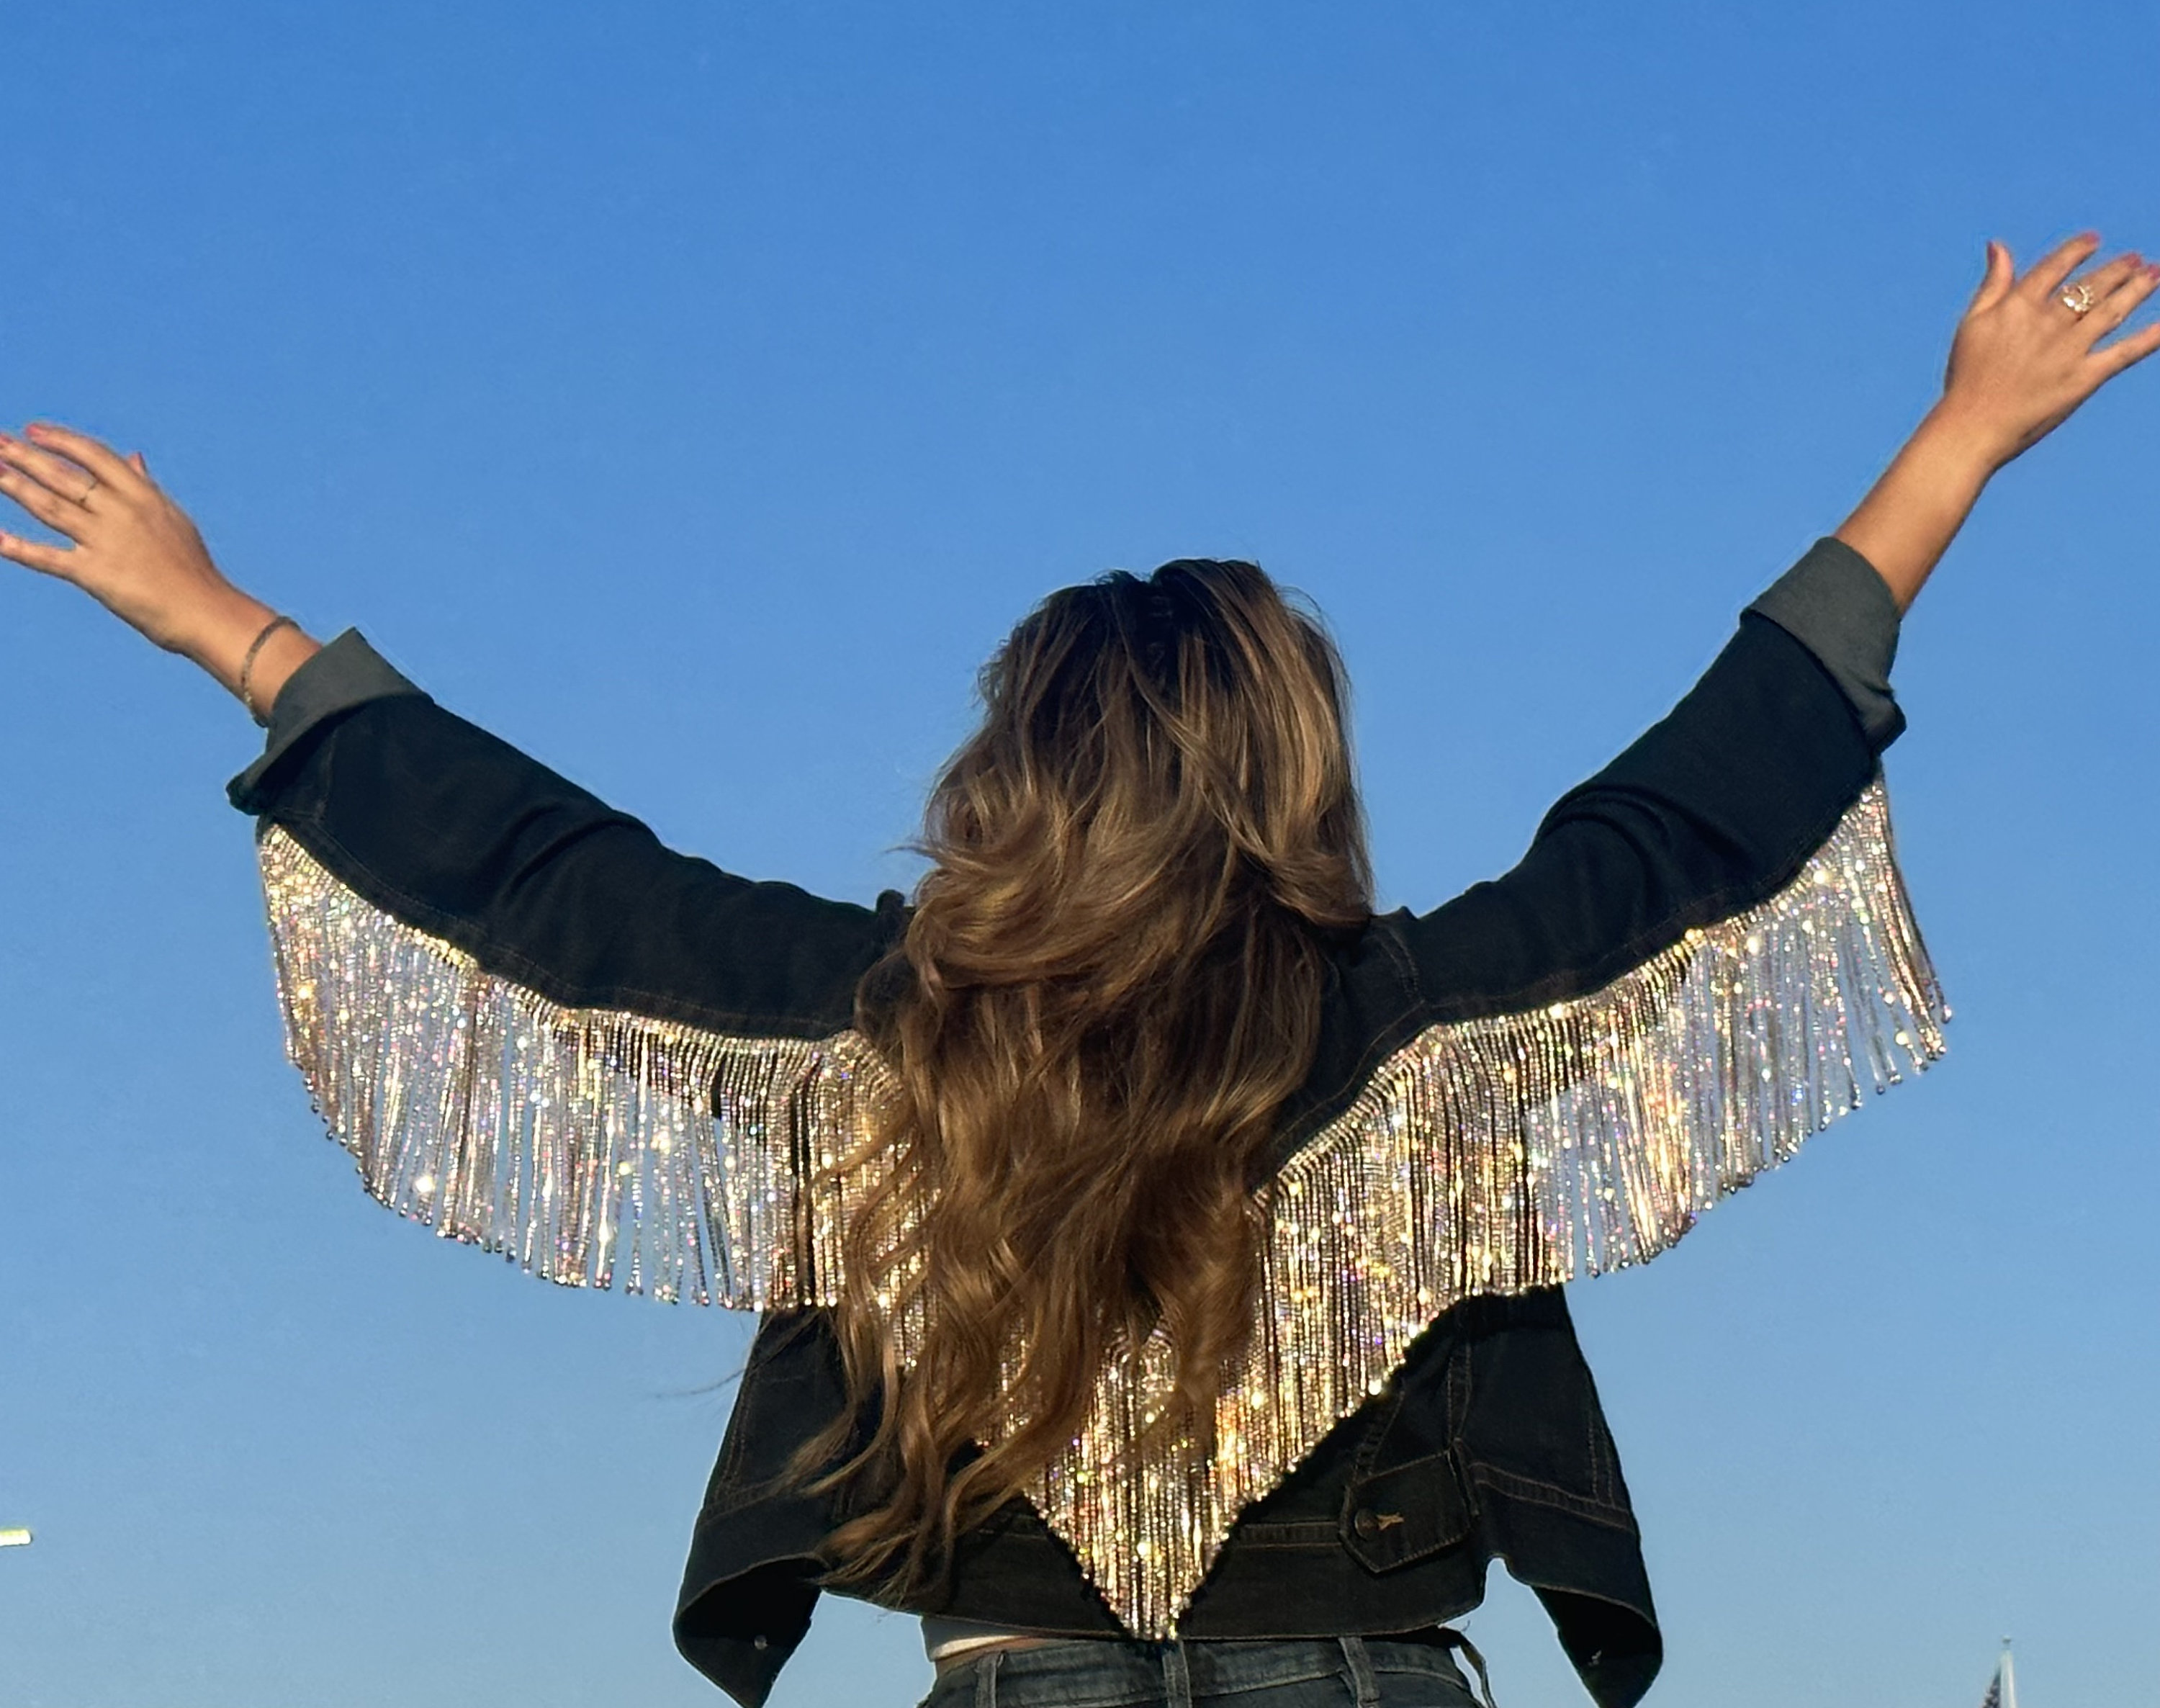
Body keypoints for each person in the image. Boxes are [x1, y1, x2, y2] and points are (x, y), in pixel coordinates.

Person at [3, 233, 2153, 1708]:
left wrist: (228, 626)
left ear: (1012, 767)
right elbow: (1695, 815)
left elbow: (555, 884)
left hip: (1008, 1685)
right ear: (1295, 766)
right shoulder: (1417, 1024)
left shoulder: (876, 1051)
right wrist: (1954, 446)